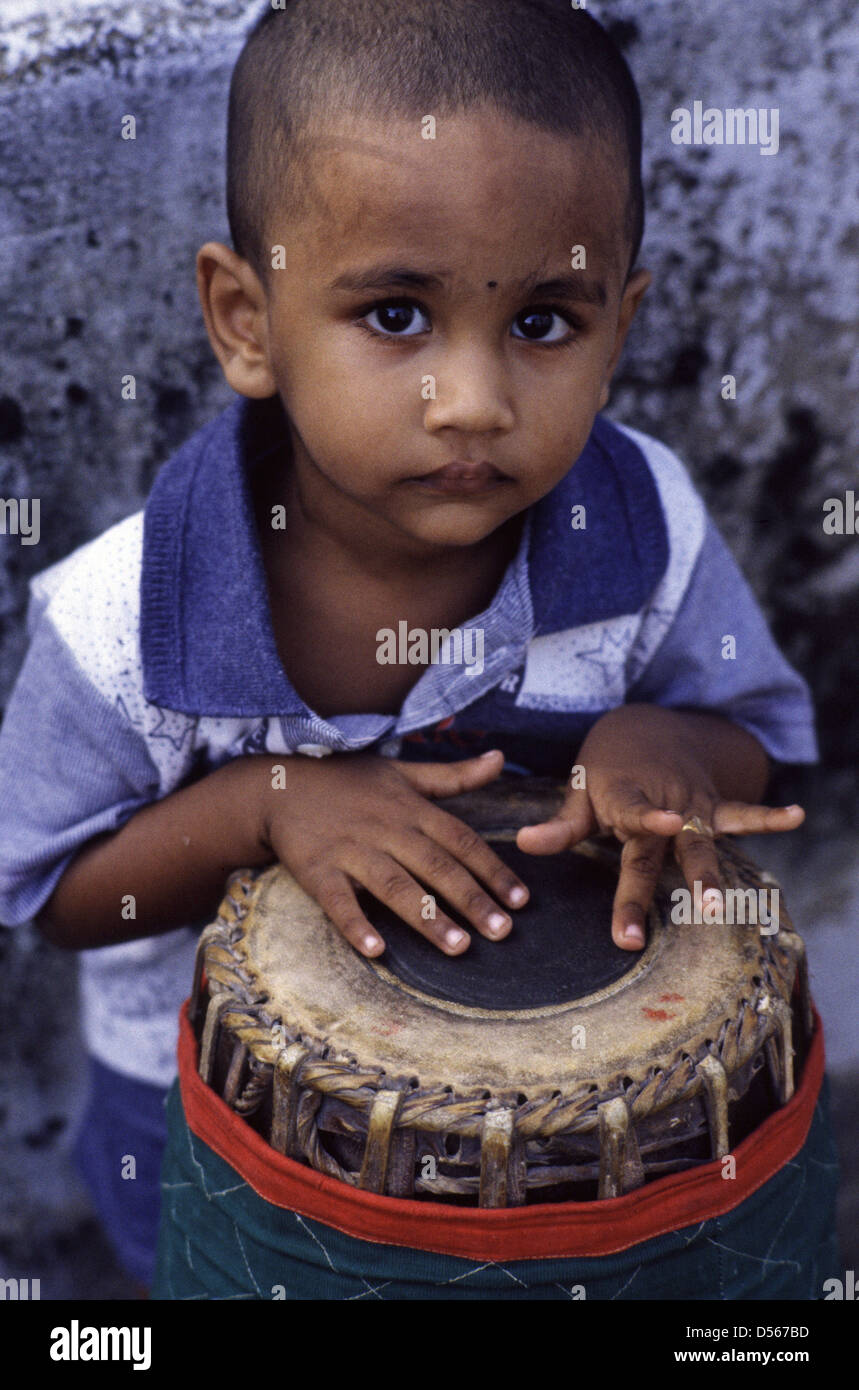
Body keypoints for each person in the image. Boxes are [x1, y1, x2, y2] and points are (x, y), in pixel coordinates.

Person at [0, 0, 837, 1298]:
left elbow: (761, 746)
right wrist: (261, 805)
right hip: (213, 1128)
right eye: (396, 315)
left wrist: (662, 738)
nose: (475, 399)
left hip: (582, 1178)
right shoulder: (129, 621)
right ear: (246, 320)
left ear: (622, 322)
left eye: (545, 322)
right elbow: (51, 892)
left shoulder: (643, 532)